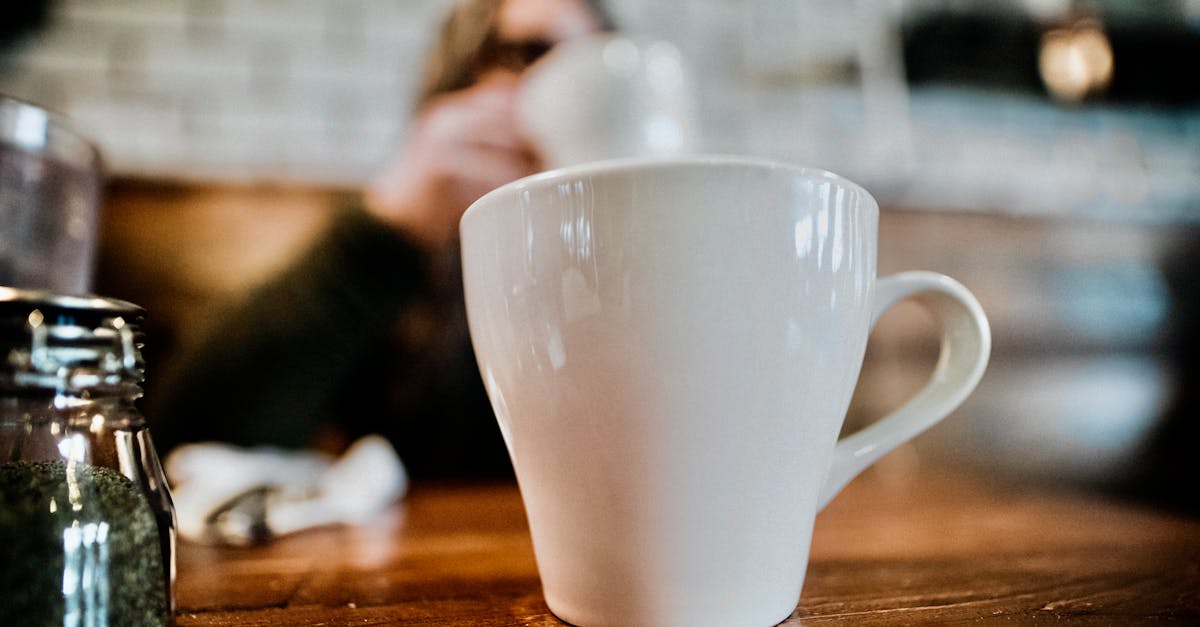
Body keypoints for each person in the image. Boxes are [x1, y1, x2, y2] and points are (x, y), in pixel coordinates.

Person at [146, 0, 612, 478]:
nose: (575, 86)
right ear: (461, 81)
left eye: (597, 63)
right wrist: (388, 229)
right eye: (534, 52)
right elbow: (189, 433)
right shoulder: (409, 281)